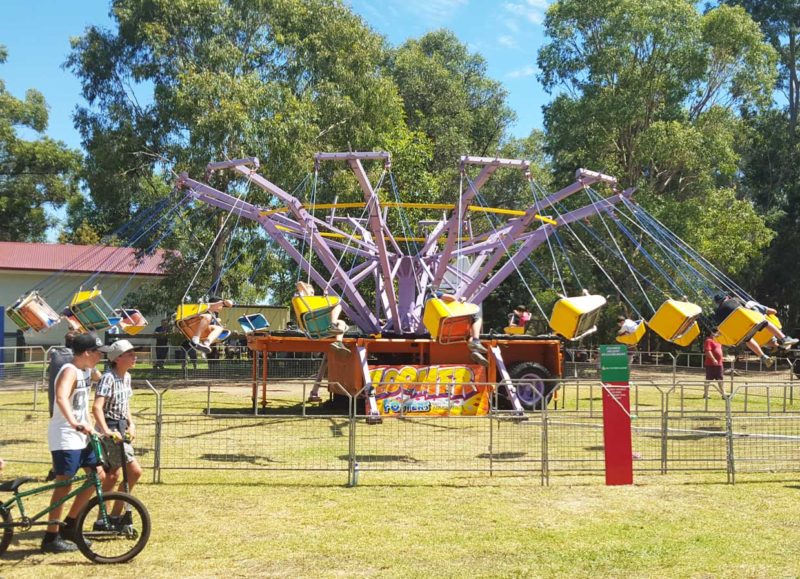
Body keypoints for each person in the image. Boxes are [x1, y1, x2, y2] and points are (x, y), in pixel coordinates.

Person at [43, 332, 109, 554]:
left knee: (98, 475)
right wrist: (74, 423)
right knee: (64, 483)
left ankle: (70, 524)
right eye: (98, 352)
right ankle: (51, 537)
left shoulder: (86, 370)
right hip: (65, 434)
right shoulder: (69, 370)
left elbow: (99, 378)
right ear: (87, 353)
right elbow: (61, 397)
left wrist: (91, 428)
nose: (101, 356)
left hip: (83, 434)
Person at [91, 339, 142, 530]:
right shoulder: (108, 378)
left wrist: (132, 424)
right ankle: (112, 516)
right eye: (129, 354)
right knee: (134, 472)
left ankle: (105, 519)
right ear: (117, 358)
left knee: (113, 476)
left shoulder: (126, 377)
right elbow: (96, 408)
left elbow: (125, 405)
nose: (134, 357)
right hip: (110, 429)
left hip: (122, 427)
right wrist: (105, 431)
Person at [713, 294, 798, 367]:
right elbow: (748, 307)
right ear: (726, 298)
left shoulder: (717, 315)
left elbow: (721, 329)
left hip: (740, 333)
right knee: (765, 322)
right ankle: (784, 339)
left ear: (717, 303)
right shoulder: (734, 300)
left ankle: (763, 356)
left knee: (747, 339)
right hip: (751, 322)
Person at [430, 288, 488, 366]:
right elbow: (452, 299)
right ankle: (475, 341)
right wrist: (460, 301)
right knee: (476, 316)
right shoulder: (435, 294)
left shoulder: (428, 305)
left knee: (468, 335)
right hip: (452, 324)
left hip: (440, 333)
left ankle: (475, 352)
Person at [295, 281, 350, 355]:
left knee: (342, 323)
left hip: (318, 325)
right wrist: (306, 290)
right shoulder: (305, 301)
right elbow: (299, 283)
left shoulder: (314, 304)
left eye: (313, 293)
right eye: (311, 292)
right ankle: (332, 325)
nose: (312, 294)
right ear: (303, 290)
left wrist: (325, 298)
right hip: (313, 322)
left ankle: (338, 342)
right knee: (338, 306)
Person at [703, 328, 725, 398]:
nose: (719, 334)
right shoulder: (709, 340)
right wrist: (713, 359)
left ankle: (723, 394)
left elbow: (718, 351)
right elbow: (708, 351)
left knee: (720, 379)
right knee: (708, 379)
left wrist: (722, 358)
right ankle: (706, 394)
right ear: (713, 333)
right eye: (718, 333)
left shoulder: (718, 341)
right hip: (710, 364)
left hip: (719, 364)